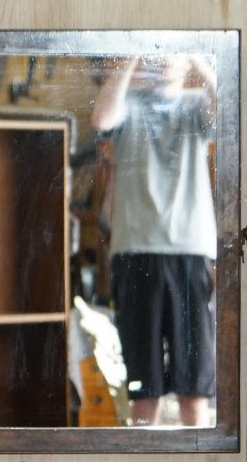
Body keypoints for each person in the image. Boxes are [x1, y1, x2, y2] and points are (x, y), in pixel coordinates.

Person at [92, 54, 217, 427]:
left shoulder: (196, 105)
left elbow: (234, 110)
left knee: (195, 391)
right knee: (144, 391)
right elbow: (101, 120)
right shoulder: (127, 104)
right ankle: (143, 461)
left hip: (190, 251)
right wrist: (131, 59)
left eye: (171, 52)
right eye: (156, 52)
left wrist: (197, 56)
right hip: (135, 251)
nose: (163, 60)